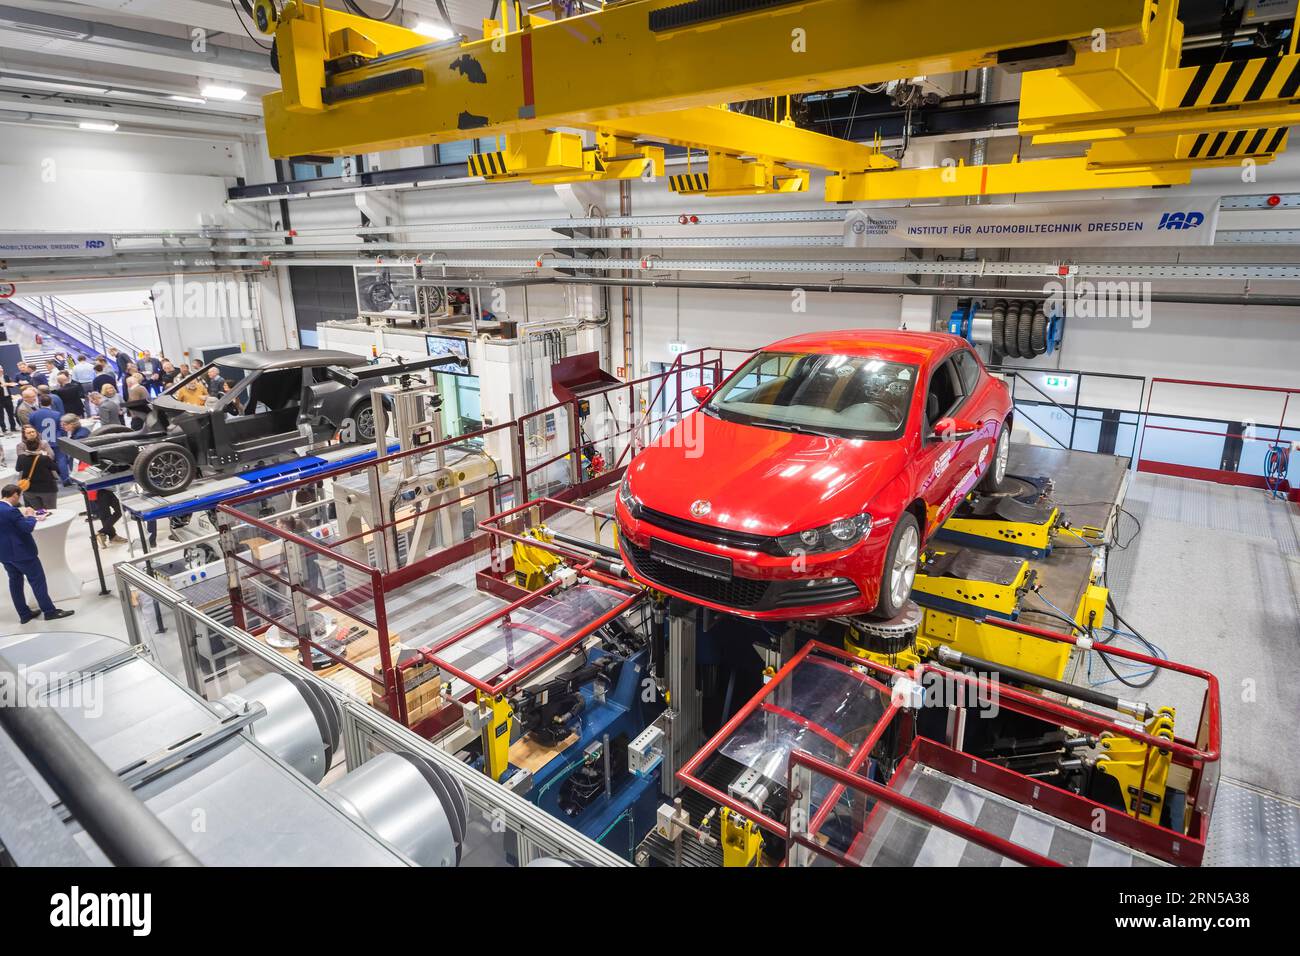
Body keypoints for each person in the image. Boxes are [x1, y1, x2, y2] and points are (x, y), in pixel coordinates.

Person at [0, 484, 74, 623]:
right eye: (19, 496)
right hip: (22, 553)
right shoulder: (11, 512)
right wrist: (31, 516)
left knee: (15, 583)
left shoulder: (6, 510)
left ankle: (24, 614)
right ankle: (49, 611)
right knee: (37, 581)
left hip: (5, 555)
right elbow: (27, 527)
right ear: (15, 495)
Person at [16, 435, 59, 510]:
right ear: (39, 446)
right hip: (47, 489)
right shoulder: (44, 458)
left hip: (29, 489)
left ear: (26, 446)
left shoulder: (21, 457)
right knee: (51, 511)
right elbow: (55, 468)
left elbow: (18, 469)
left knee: (38, 512)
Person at [56, 414, 88, 487]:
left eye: (64, 425)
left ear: (72, 424)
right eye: (62, 425)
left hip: (83, 469)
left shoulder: (80, 435)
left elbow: (79, 454)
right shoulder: (76, 432)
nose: (62, 427)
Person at [0, 369, 18, 433]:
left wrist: (8, 384)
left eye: (1, 369)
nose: (1, 370)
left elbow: (12, 385)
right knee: (1, 415)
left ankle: (13, 427)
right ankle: (4, 429)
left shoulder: (6, 376)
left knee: (10, 413)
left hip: (8, 397)